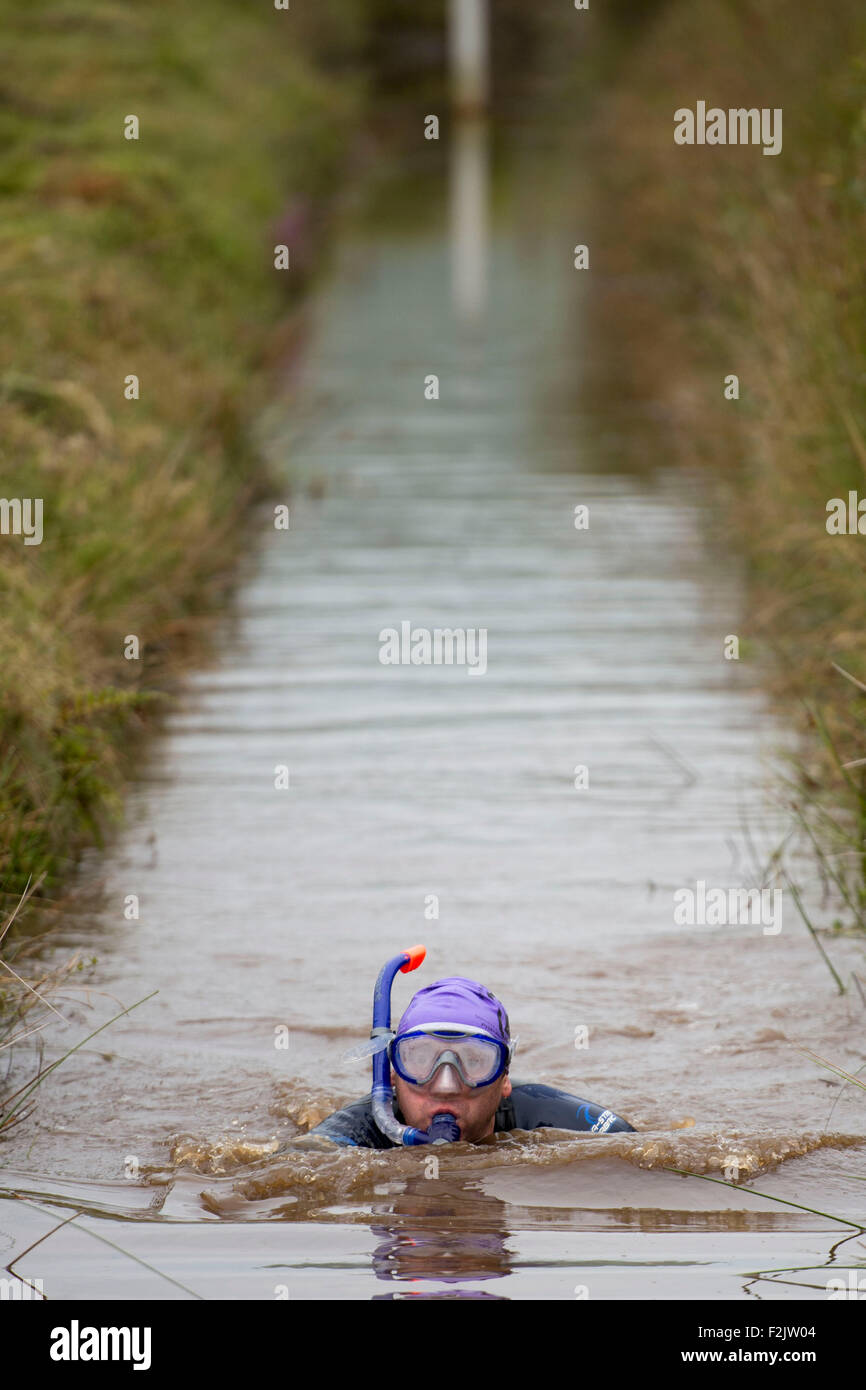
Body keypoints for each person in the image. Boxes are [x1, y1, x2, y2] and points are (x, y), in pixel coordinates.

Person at [311, 975, 634, 1148]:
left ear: (504, 1076)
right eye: (421, 1059)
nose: (446, 1085)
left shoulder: (546, 1113)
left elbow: (634, 1155)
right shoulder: (360, 1129)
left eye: (475, 1060)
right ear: (393, 1072)